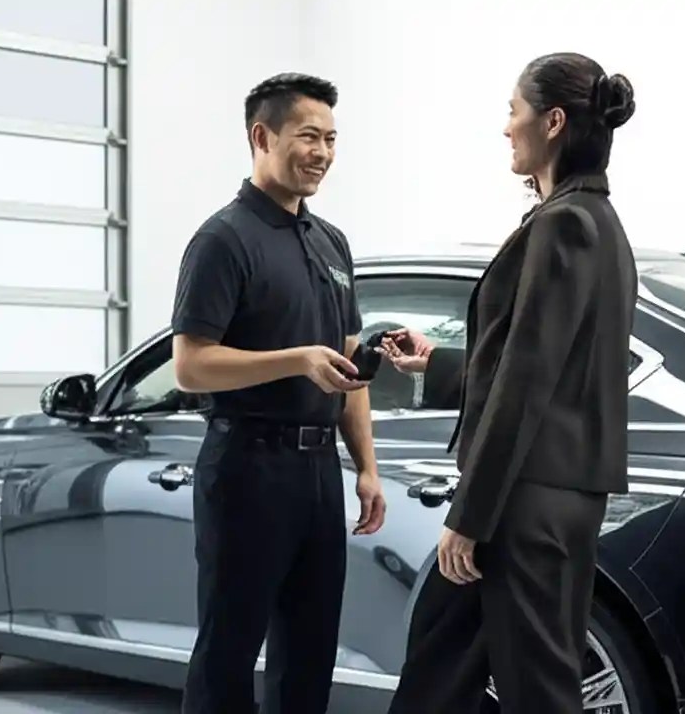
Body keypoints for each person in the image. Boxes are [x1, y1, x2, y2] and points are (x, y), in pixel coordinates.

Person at [380, 52, 639, 714]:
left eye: (513, 111)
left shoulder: (566, 225)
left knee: (538, 690)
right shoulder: (593, 226)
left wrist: (470, 517)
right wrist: (437, 364)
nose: (506, 128)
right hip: (542, 494)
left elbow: (528, 384)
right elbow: (531, 366)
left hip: (525, 504)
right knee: (438, 669)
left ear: (552, 122)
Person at [170, 72, 387, 714]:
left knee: (310, 652)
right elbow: (191, 365)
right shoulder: (223, 240)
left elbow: (347, 365)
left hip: (319, 472)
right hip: (247, 469)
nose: (321, 152)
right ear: (261, 137)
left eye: (330, 138)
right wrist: (296, 361)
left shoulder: (330, 242)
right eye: (308, 136)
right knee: (229, 651)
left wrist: (367, 468)